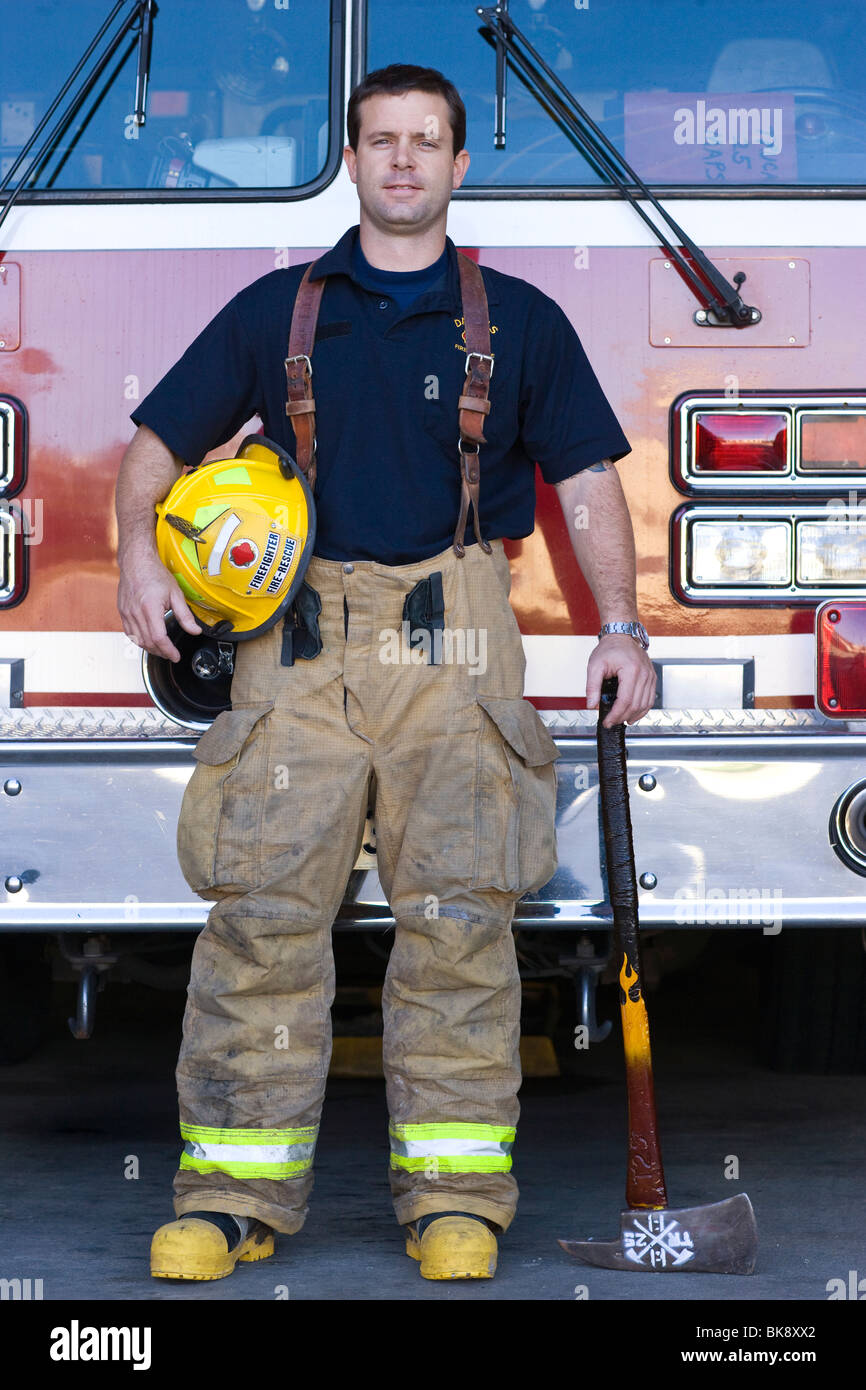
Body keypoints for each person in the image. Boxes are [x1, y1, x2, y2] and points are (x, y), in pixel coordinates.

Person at [115, 63, 656, 1284]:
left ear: (460, 167)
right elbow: (151, 449)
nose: (402, 160)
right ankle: (229, 1198)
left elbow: (582, 485)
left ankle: (455, 1197)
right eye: (380, 141)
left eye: (426, 142)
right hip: (294, 650)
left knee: (461, 922)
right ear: (349, 162)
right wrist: (138, 568)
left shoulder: (520, 319)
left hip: (456, 640)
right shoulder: (275, 313)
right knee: (258, 922)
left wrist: (621, 626)